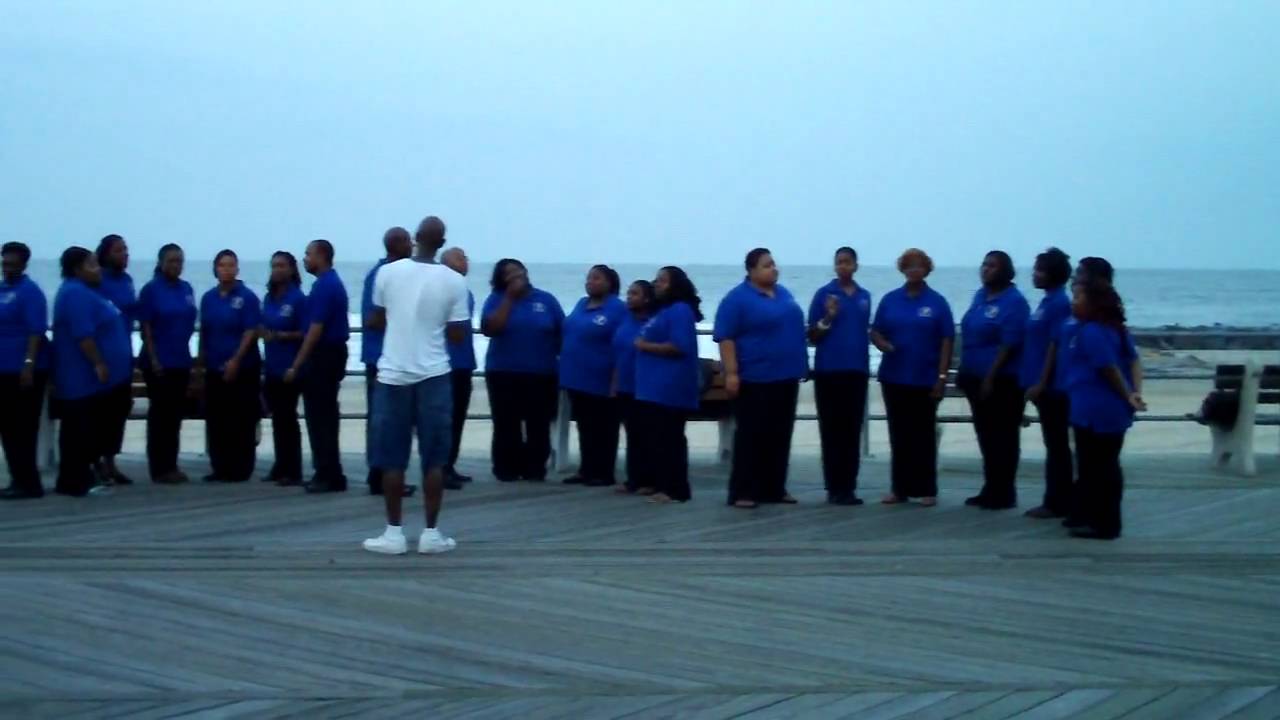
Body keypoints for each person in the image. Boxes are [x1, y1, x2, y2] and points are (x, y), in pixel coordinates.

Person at [361, 218, 470, 555]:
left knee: (393, 459)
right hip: (434, 375)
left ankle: (393, 533)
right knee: (434, 460)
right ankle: (431, 533)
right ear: (442, 242)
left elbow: (375, 320)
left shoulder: (388, 273)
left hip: (393, 374)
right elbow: (457, 334)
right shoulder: (455, 281)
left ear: (415, 238)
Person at [714, 248, 808, 509]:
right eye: (767, 265)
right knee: (751, 436)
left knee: (779, 435)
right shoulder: (737, 299)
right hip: (755, 377)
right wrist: (731, 373)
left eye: (774, 264)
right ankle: (744, 491)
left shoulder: (784, 294)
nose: (773, 269)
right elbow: (726, 337)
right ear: (752, 271)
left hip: (786, 376)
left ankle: (774, 487)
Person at [870, 248, 954, 507]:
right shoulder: (891, 300)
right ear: (903, 269)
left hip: (926, 379)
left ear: (927, 269)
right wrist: (883, 344)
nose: (914, 270)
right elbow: (875, 331)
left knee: (924, 435)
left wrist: (941, 377)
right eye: (909, 266)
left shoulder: (937, 302)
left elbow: (947, 339)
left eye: (919, 265)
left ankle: (927, 488)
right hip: (894, 378)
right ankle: (899, 488)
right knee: (899, 434)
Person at [1062, 280, 1145, 540]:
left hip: (1097, 409)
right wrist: (1134, 394)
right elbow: (1132, 362)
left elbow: (1109, 368)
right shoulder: (1115, 329)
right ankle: (1097, 518)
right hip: (1099, 407)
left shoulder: (1093, 332)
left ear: (1093, 303)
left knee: (1099, 467)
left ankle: (1106, 523)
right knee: (1101, 466)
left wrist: (1128, 395)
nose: (1073, 302)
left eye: (1078, 298)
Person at [51, 247, 133, 497]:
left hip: (90, 382)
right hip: (79, 378)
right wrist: (99, 363)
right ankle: (74, 482)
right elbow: (83, 335)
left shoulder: (87, 292)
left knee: (84, 430)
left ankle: (78, 478)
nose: (98, 269)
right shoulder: (75, 293)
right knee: (78, 430)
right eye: (93, 265)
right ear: (78, 269)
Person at [957, 251, 1030, 510]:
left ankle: (1004, 492)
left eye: (992, 266)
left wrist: (991, 376)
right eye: (984, 264)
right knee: (986, 435)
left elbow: (1009, 344)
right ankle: (990, 487)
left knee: (1004, 437)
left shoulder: (1015, 302)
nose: (986, 269)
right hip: (974, 377)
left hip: (1003, 381)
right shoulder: (980, 296)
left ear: (1005, 270)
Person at [481, 259, 565, 482]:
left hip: (541, 373)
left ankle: (535, 468)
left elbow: (562, 334)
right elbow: (490, 328)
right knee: (506, 422)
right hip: (503, 372)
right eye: (508, 274)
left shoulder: (546, 300)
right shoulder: (496, 299)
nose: (515, 276)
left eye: (517, 271)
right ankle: (506, 468)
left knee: (538, 423)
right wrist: (509, 298)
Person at [807, 247, 873, 506]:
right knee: (831, 430)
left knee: (852, 430)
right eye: (839, 262)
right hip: (828, 371)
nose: (843, 266)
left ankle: (849, 486)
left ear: (856, 265)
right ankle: (833, 486)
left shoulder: (864, 296)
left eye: (847, 262)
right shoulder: (824, 294)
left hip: (856, 370)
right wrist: (828, 317)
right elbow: (812, 335)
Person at [634, 267, 703, 503]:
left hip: (670, 388)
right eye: (656, 280)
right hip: (653, 388)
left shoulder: (680, 310)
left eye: (663, 281)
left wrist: (645, 346)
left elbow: (678, 346)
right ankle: (659, 483)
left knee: (670, 439)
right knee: (656, 439)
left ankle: (674, 489)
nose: (657, 284)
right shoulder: (661, 311)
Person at [286, 239, 350, 493]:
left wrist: (297, 362)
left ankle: (327, 472)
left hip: (325, 354)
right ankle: (329, 470)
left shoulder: (325, 286)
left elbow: (315, 329)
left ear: (321, 256)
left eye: (308, 254)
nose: (305, 259)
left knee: (320, 416)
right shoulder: (328, 284)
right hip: (330, 353)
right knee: (324, 415)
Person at [560, 265, 627, 487]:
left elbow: (622, 344)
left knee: (604, 427)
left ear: (610, 283)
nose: (590, 282)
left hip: (603, 379)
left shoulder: (617, 309)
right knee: (585, 426)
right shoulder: (582, 304)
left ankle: (604, 472)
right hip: (577, 378)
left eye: (596, 278)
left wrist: (616, 381)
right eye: (589, 278)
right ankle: (586, 469)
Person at [136, 244, 197, 484]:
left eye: (180, 260)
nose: (176, 265)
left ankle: (171, 463)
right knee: (160, 416)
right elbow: (146, 328)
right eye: (171, 260)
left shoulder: (186, 288)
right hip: (158, 361)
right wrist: (154, 359)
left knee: (174, 416)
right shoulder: (151, 290)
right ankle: (159, 467)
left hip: (180, 358)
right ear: (161, 263)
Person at [1020, 247, 1074, 519]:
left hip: (1052, 387)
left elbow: (1055, 345)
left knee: (1057, 445)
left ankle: (1057, 501)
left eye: (1040, 269)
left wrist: (1041, 382)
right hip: (1039, 384)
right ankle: (1057, 498)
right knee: (1053, 444)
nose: (1034, 274)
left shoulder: (1059, 304)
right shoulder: (1046, 301)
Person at [199, 250, 262, 483]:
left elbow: (250, 331)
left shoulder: (247, 297)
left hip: (243, 367)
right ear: (215, 268)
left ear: (237, 268)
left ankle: (241, 468)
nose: (227, 269)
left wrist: (236, 360)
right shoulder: (208, 298)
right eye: (222, 265)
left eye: (231, 265)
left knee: (242, 418)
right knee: (217, 419)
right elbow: (204, 332)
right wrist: (201, 364)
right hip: (215, 367)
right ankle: (219, 466)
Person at [361, 227, 414, 495]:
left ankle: (384, 473)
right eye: (408, 242)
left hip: (397, 356)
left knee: (393, 419)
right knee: (384, 419)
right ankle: (380, 475)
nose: (413, 245)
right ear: (397, 245)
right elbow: (372, 318)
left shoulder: (396, 274)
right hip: (382, 358)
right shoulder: (382, 274)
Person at [0, 242, 50, 500]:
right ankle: (16, 478)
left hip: (25, 370)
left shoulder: (30, 292)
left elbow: (36, 331)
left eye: (11, 264)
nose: (7, 269)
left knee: (23, 428)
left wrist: (28, 364)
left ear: (23, 265)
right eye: (3, 264)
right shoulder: (2, 289)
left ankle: (30, 482)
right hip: (3, 370)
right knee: (7, 428)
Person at [260, 251, 307, 487]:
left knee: (288, 417)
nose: (277, 270)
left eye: (282, 266)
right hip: (271, 365)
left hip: (291, 366)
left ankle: (293, 468)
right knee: (277, 417)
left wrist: (281, 335)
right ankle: (280, 465)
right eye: (274, 265)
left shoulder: (298, 299)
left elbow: (306, 332)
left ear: (291, 269)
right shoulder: (269, 297)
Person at [93, 234, 136, 486]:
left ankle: (111, 461)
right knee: (100, 412)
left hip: (124, 354)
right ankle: (96, 461)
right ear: (106, 254)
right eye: (119, 250)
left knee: (118, 412)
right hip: (103, 356)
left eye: (126, 250)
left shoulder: (128, 281)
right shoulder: (98, 281)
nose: (125, 255)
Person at [611, 279, 655, 495]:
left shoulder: (653, 322)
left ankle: (650, 480)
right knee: (632, 434)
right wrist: (615, 383)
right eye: (628, 293)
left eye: (635, 294)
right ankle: (634, 479)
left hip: (647, 385)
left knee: (648, 434)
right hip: (625, 385)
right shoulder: (625, 319)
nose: (629, 297)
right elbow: (619, 354)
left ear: (647, 298)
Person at [441, 246, 476, 486]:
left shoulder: (464, 290)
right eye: (460, 257)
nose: (465, 261)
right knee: (446, 418)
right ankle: (441, 467)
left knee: (457, 418)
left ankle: (448, 465)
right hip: (446, 363)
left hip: (462, 362)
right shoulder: (444, 288)